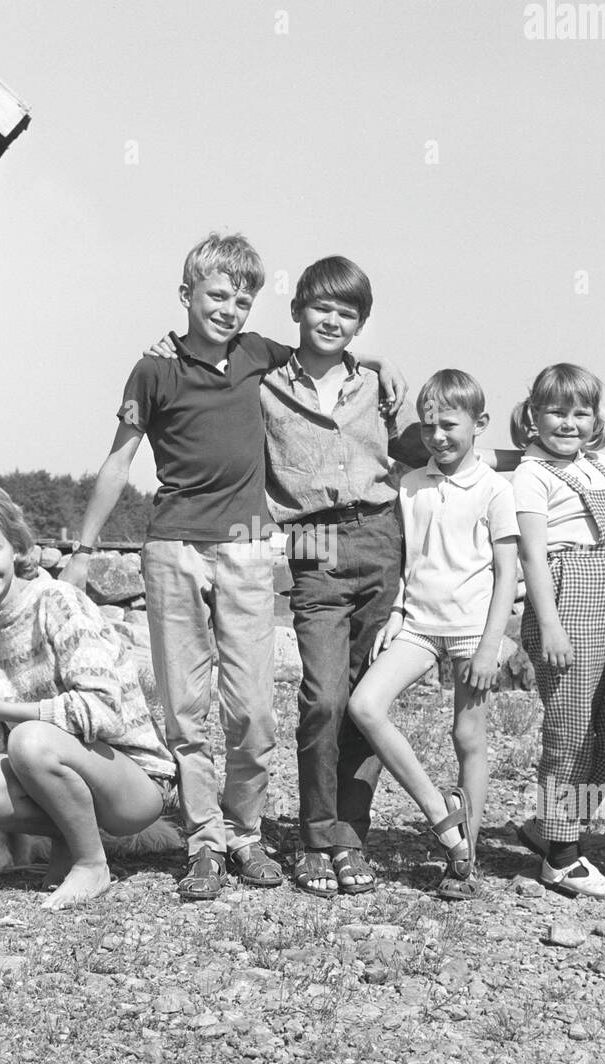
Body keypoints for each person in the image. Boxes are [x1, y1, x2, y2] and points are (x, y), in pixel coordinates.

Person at [63, 233, 402, 901]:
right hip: (172, 549)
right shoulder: (152, 369)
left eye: (243, 299)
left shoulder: (261, 357)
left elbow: (326, 355)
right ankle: (205, 842)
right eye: (217, 295)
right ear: (186, 294)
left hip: (247, 548)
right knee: (186, 710)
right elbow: (117, 462)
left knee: (252, 711)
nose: (230, 308)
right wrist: (81, 553)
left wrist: (379, 363)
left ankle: (247, 831)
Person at [259, 257, 428, 896]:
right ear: (298, 308)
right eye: (321, 307)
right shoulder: (266, 385)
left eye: (347, 312)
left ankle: (350, 837)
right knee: (323, 695)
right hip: (313, 537)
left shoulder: (379, 388)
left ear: (362, 324)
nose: (332, 320)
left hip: (382, 535)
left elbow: (427, 446)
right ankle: (315, 834)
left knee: (365, 697)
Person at [0, 483, 177, 909]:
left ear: (16, 548)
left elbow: (105, 713)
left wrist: (4, 709)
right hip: (63, 769)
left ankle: (90, 863)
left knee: (30, 738)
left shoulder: (58, 603)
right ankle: (68, 838)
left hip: (132, 781)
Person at [348, 370, 519, 900]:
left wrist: (492, 645)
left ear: (479, 424)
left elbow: (507, 572)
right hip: (419, 625)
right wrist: (398, 611)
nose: (438, 437)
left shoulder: (494, 489)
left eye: (450, 425)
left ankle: (464, 859)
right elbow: (409, 558)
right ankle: (442, 815)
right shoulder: (409, 485)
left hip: (472, 631)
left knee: (467, 737)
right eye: (428, 428)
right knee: (365, 705)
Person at [510, 363, 605, 898]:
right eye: (556, 412)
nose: (568, 423)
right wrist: (551, 626)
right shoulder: (531, 473)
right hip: (566, 598)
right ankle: (561, 858)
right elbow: (532, 555)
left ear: (595, 419)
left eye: (580, 412)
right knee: (568, 731)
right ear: (533, 416)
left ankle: (549, 825)